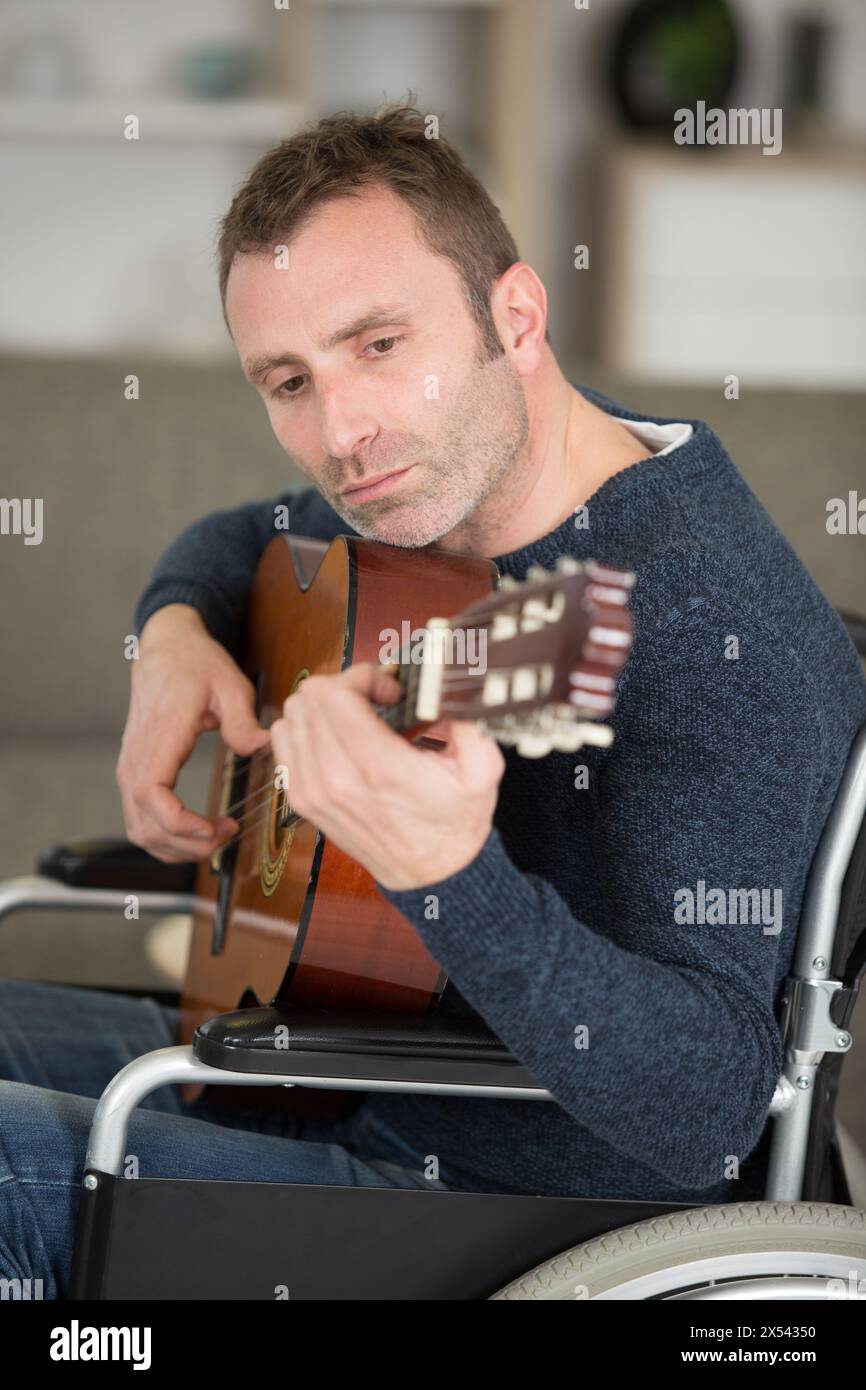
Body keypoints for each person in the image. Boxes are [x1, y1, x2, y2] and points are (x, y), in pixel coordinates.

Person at [3, 105, 865, 1299]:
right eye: (287, 379)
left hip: (500, 1197)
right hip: (326, 1061)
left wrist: (449, 876)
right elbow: (239, 535)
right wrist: (172, 634)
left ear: (512, 316)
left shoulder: (710, 632)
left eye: (377, 345)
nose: (340, 433)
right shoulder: (439, 496)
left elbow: (710, 1105)